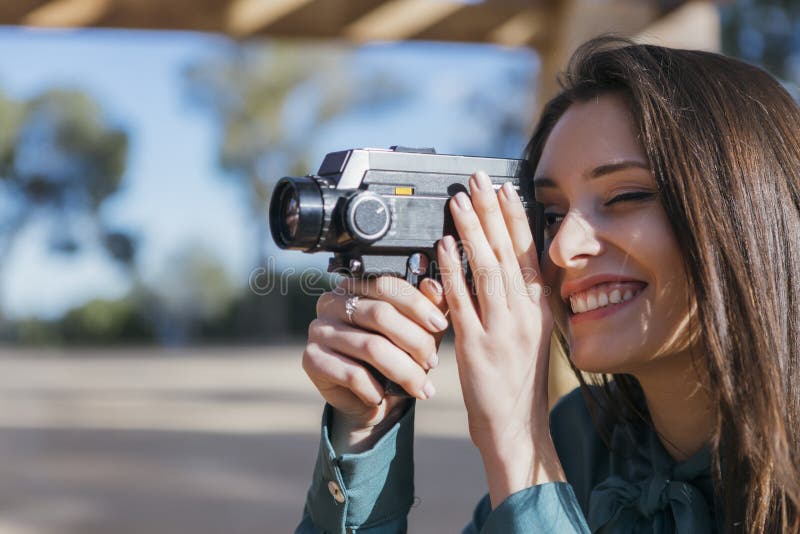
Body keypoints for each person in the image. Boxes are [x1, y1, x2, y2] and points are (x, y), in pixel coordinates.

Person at [294, 36, 800, 533]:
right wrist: (366, 429)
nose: (561, 248)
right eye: (551, 215)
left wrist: (520, 445)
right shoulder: (580, 438)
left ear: (751, 213)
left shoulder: (545, 440)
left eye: (625, 196)